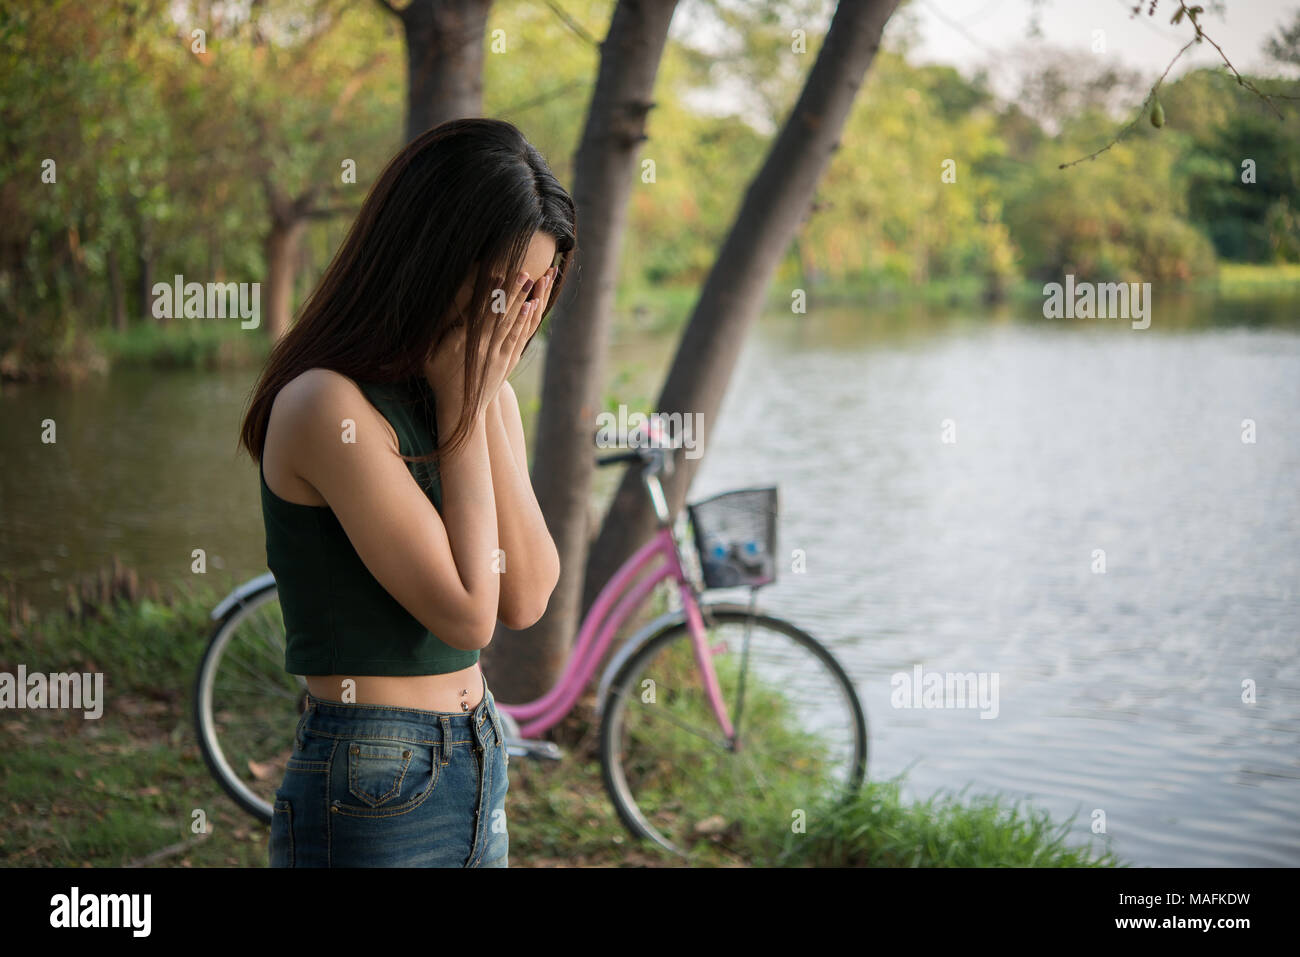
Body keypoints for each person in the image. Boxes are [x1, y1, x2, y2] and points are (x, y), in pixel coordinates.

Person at [238, 117, 574, 866]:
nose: (513, 315)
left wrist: (480, 398)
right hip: (373, 774)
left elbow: (526, 594)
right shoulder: (326, 405)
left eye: (531, 291)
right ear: (432, 256)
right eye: (501, 287)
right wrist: (466, 402)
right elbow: (468, 612)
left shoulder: (474, 390)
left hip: (479, 750)